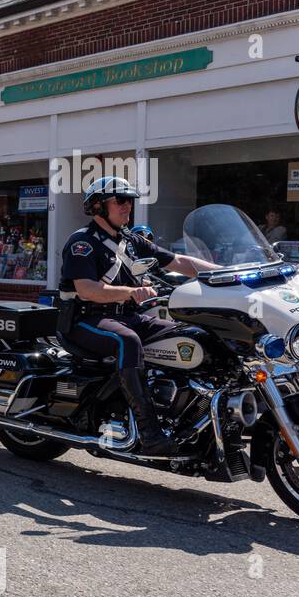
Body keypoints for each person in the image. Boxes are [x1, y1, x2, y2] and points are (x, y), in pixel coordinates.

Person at [59, 176, 219, 456]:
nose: (127, 206)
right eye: (120, 200)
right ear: (97, 206)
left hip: (128, 316)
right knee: (127, 342)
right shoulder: (81, 243)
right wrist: (130, 292)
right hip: (85, 320)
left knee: (188, 334)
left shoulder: (131, 241)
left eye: (130, 201)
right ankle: (149, 432)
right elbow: (86, 289)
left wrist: (225, 273)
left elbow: (180, 261)